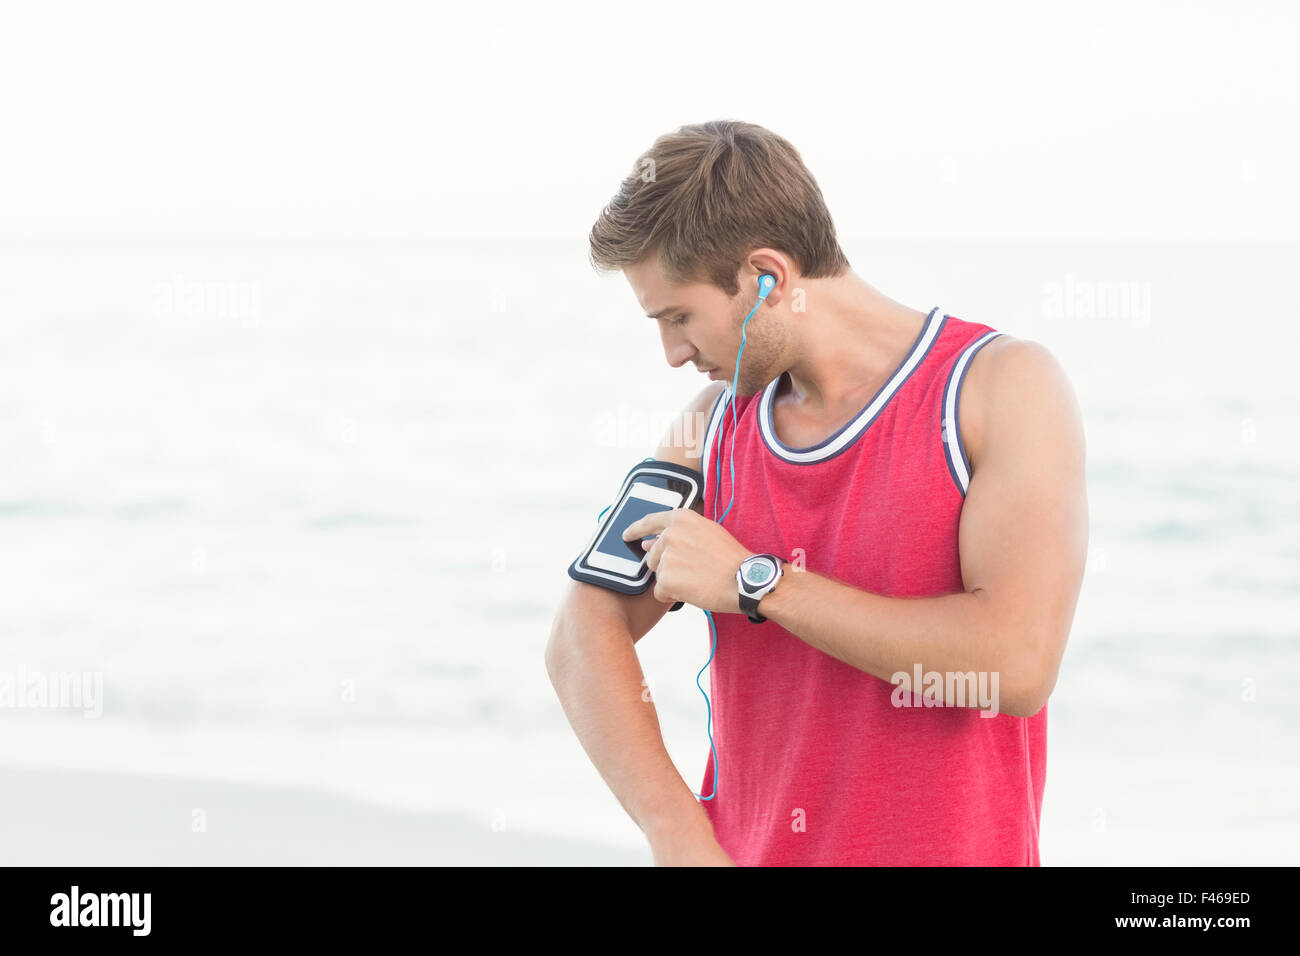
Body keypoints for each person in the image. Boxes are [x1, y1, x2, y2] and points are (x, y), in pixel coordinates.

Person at [545, 120, 1088, 866]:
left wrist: (754, 582)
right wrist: (678, 836)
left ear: (766, 276)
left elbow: (1016, 665)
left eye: (679, 317)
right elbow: (579, 638)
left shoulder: (998, 387)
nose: (672, 354)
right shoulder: (709, 430)